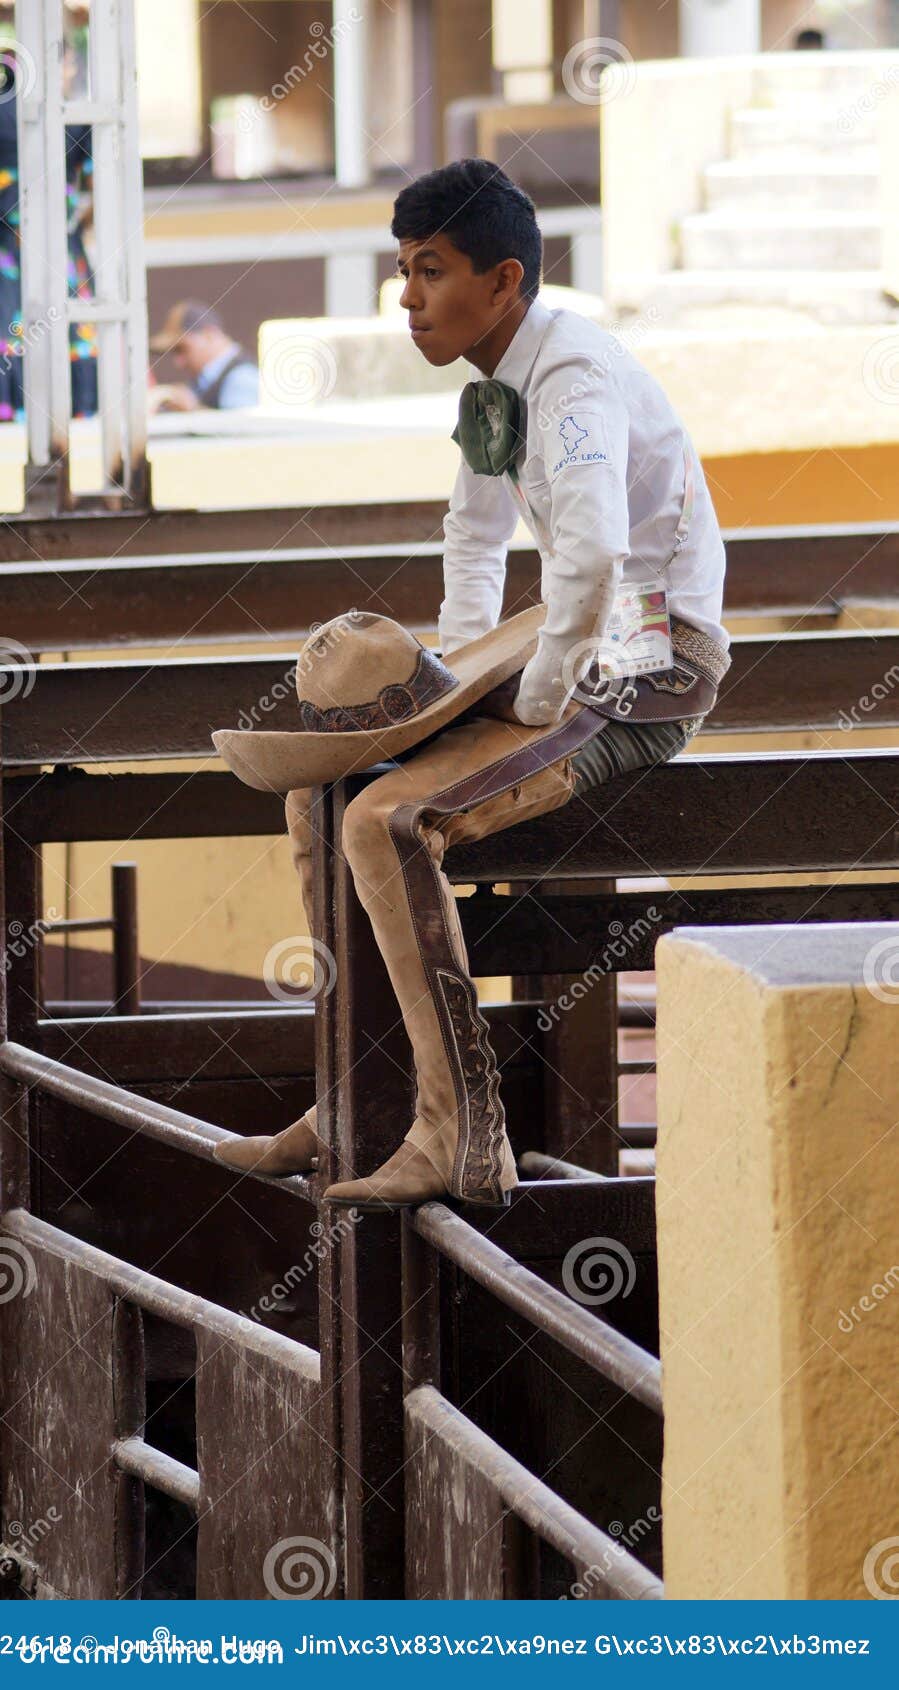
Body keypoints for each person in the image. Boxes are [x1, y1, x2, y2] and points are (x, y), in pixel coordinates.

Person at [212, 158, 731, 1208]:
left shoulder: (570, 377)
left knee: (386, 822)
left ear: (503, 281)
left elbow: (592, 554)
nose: (407, 297)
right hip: (572, 640)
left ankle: (461, 1133)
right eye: (402, 270)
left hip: (650, 659)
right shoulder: (496, 382)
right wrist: (450, 686)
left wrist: (530, 700)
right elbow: (473, 534)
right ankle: (355, 1094)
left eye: (431, 270)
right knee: (319, 798)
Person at [0, 48, 98, 422]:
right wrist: (76, 221)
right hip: (58, 249)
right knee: (68, 327)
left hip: (13, 248)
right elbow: (104, 185)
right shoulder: (74, 115)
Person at [148, 300, 259, 411]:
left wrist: (194, 409)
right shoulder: (204, 381)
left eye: (182, 349)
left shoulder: (242, 377)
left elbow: (241, 422)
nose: (179, 362)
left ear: (209, 335)